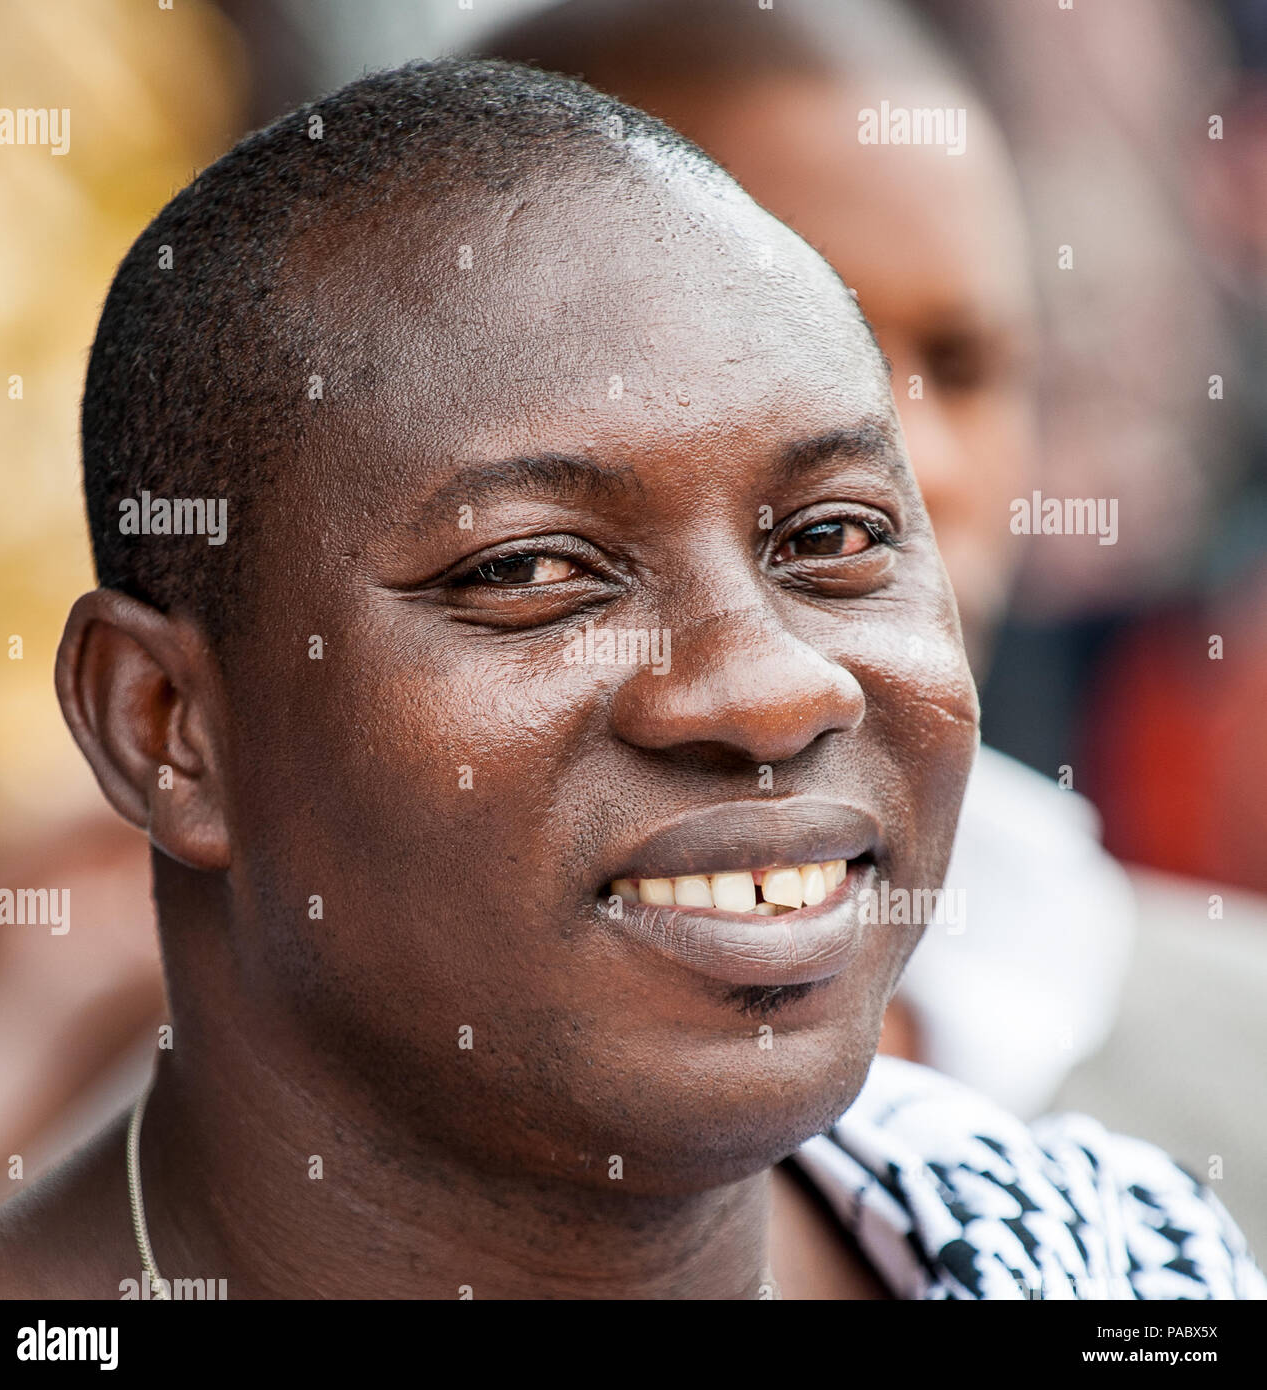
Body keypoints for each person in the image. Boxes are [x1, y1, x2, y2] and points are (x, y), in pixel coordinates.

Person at [0, 60, 1258, 1300]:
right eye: (532, 569)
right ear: (166, 726)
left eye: (833, 538)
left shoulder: (1104, 1254)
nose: (770, 690)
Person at [478, 0, 1133, 1114]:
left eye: (966, 367)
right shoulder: (211, 1051)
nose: (917, 460)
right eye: (796, 361)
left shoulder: (1202, 1017)